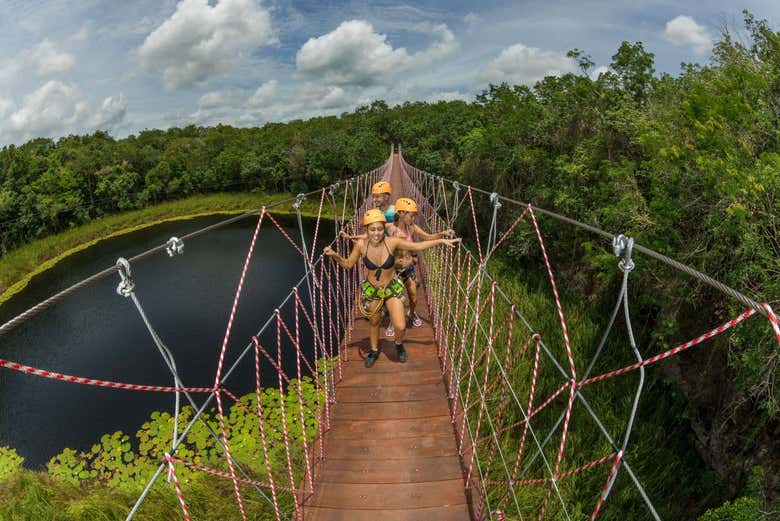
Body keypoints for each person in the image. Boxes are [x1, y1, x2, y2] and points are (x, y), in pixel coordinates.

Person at [324, 209, 460, 368]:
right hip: (372, 290)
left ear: (384, 229)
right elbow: (347, 264)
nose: (376, 233)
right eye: (372, 229)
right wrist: (334, 255)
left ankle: (398, 343)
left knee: (400, 325)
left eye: (380, 229)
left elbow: (417, 245)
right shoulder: (361, 245)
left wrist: (440, 241)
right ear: (366, 230)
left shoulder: (392, 242)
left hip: (391, 288)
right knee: (374, 322)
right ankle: (374, 350)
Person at [385, 197, 455, 332]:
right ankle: (394, 321)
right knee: (395, 299)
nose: (413, 219)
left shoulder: (412, 228)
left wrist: (442, 233)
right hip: (394, 269)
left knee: (414, 298)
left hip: (408, 268)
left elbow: (427, 237)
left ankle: (411, 314)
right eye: (411, 216)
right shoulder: (389, 228)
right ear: (401, 213)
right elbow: (372, 234)